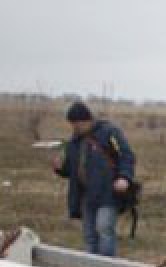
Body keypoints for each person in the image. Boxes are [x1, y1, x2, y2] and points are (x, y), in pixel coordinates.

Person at [51, 101, 135, 257]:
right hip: (86, 197)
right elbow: (71, 171)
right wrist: (59, 168)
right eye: (72, 124)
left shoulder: (110, 132)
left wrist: (124, 178)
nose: (75, 127)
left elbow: (126, 156)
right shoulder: (74, 142)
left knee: (104, 229)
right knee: (89, 236)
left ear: (87, 120)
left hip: (108, 194)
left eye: (78, 123)